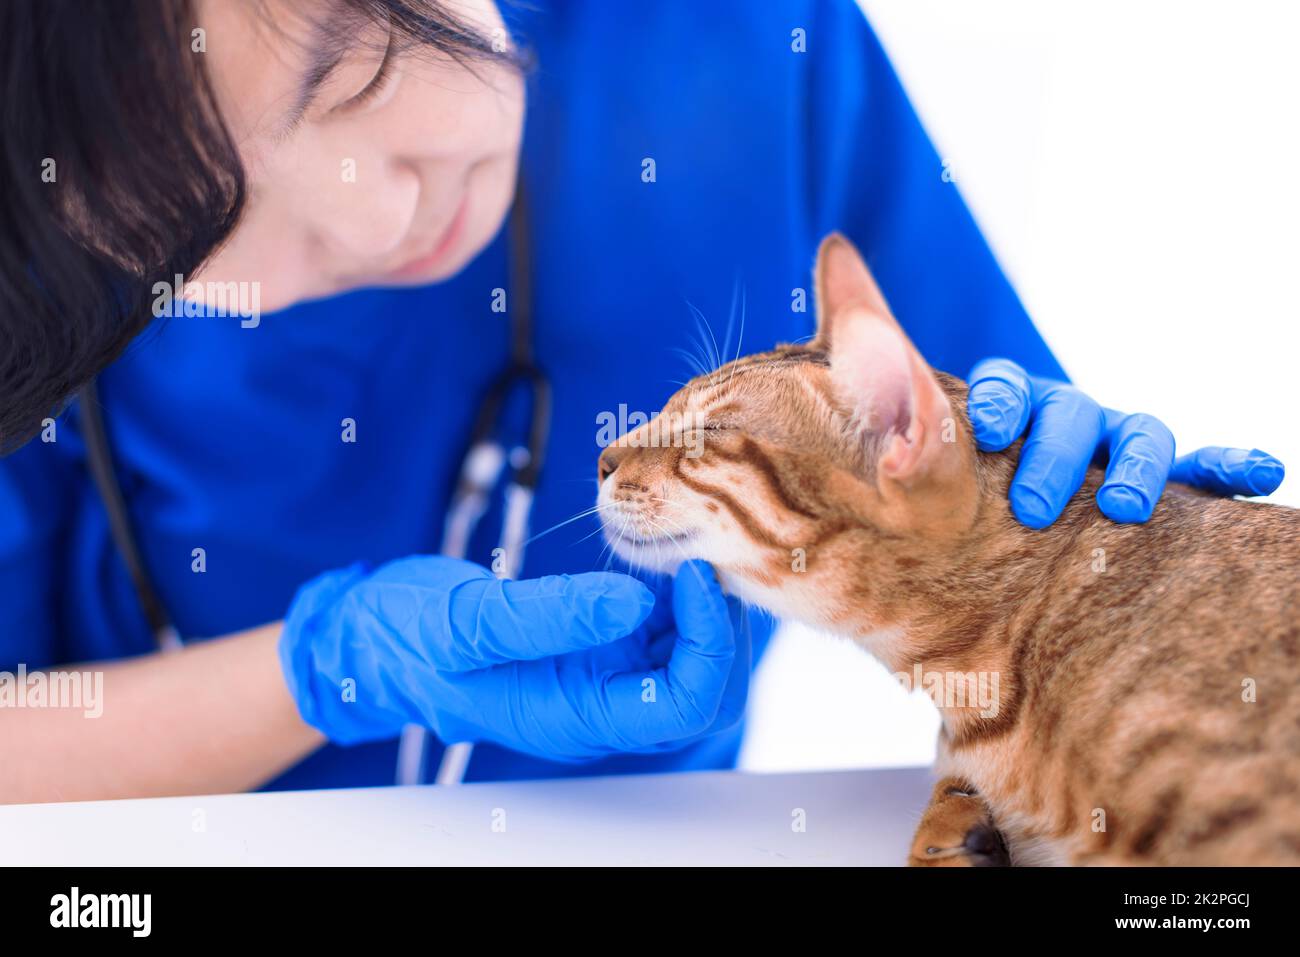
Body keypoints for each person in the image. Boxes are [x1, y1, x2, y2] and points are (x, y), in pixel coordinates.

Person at [0, 0, 1281, 803]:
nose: (371, 215)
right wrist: (319, 672)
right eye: (183, 225)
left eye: (350, 76)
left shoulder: (737, 38)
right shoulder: (42, 266)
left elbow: (974, 514)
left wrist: (1126, 584)